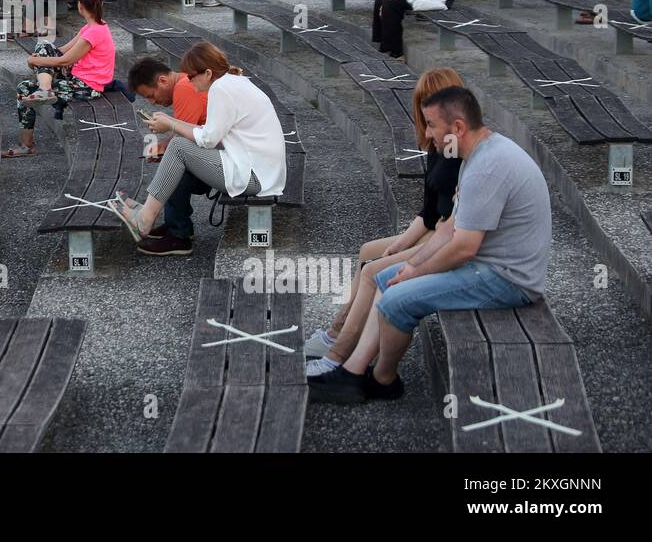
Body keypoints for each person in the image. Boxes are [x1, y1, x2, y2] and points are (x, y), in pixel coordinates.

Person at [310, 86, 550, 403]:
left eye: (432, 124)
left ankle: (383, 379)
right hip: (490, 266)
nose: (427, 133)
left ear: (458, 127)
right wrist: (411, 264)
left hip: (507, 280)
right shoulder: (479, 154)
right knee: (385, 277)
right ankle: (352, 371)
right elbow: (449, 228)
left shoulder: (487, 167)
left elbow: (464, 247)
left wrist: (414, 272)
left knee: (397, 301)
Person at [303, 67, 465, 376]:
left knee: (373, 271)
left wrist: (400, 252)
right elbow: (429, 211)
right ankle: (336, 332)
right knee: (369, 251)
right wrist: (399, 245)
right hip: (435, 227)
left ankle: (337, 352)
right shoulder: (436, 145)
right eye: (423, 104)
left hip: (447, 234)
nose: (425, 112)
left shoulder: (461, 148)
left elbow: (450, 222)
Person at [115, 42, 286, 257]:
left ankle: (146, 219)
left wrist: (170, 123)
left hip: (256, 176)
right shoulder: (233, 82)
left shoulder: (220, 89)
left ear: (207, 73)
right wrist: (170, 122)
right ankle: (165, 225)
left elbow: (207, 139)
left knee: (177, 147)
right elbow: (208, 133)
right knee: (178, 151)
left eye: (192, 76)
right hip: (261, 169)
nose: (189, 81)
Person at [5, 0, 114, 158]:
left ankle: (28, 143)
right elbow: (62, 51)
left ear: (80, 6)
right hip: (77, 79)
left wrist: (36, 61)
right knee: (43, 47)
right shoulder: (93, 26)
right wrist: (41, 54)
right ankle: (44, 90)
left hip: (87, 86)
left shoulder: (94, 32)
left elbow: (65, 61)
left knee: (25, 87)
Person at [127, 56, 208, 162]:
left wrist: (164, 145)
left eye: (151, 95)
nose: (152, 102)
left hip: (227, 156)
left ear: (163, 80)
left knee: (177, 159)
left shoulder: (184, 87)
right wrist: (162, 147)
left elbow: (182, 141)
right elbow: (184, 132)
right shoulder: (185, 78)